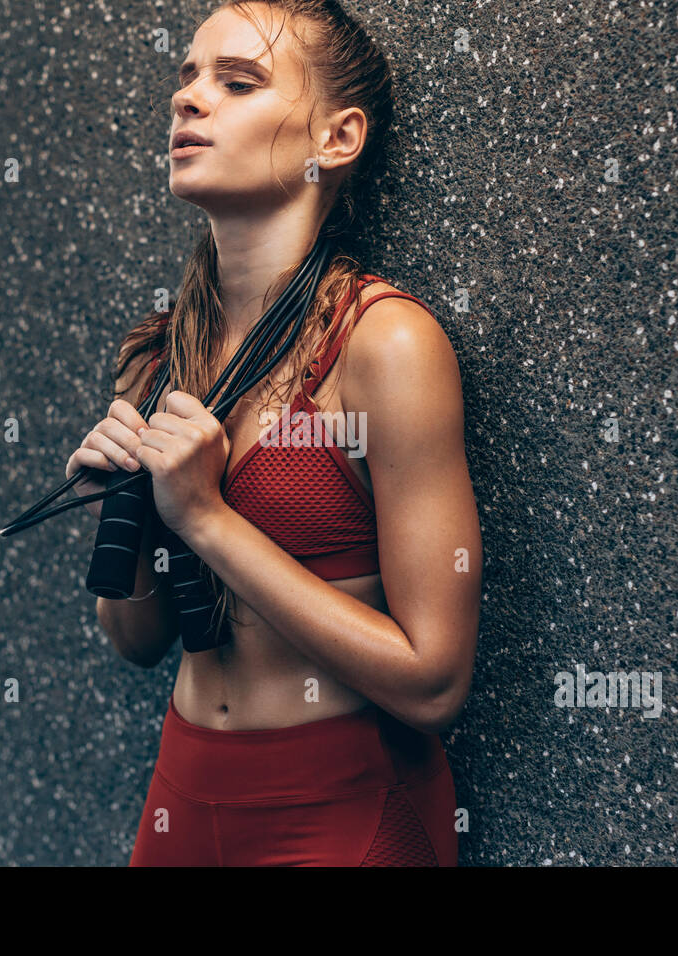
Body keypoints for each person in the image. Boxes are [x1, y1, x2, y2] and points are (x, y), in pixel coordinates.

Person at [66, 0, 482, 866]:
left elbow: (436, 681)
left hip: (338, 812)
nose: (188, 99)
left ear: (337, 139)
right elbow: (137, 642)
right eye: (186, 77)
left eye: (238, 80)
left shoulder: (385, 345)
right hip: (184, 794)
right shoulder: (157, 353)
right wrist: (131, 515)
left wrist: (207, 518)